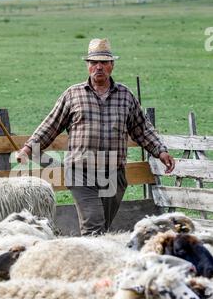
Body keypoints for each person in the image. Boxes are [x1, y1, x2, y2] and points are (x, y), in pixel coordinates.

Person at [17, 38, 175, 236]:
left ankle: (89, 260)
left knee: (102, 229)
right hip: (81, 172)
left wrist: (160, 151)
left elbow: (142, 129)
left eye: (103, 62)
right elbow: (51, 125)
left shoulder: (125, 95)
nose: (98, 67)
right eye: (93, 63)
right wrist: (28, 148)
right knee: (93, 224)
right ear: (88, 66)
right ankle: (92, 265)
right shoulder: (73, 94)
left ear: (112, 65)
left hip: (113, 174)